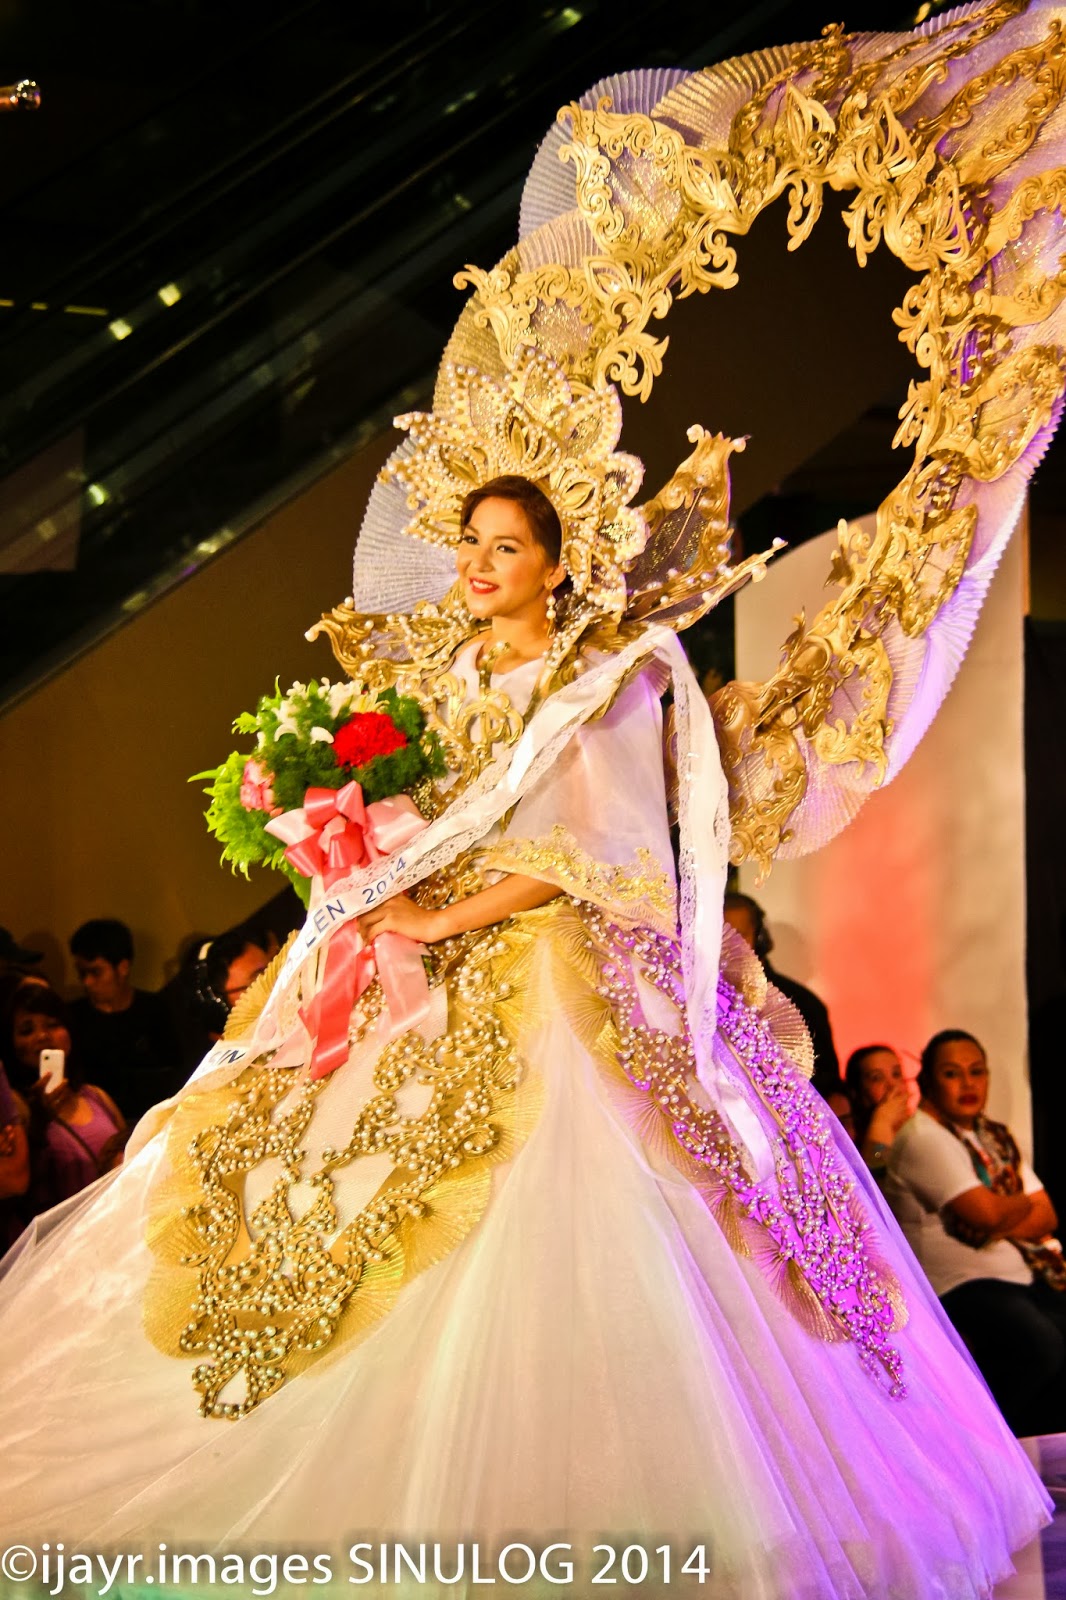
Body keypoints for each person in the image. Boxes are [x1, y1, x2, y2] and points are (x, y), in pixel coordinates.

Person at [0, 471, 1049, 1599]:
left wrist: (438, 916)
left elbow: (601, 852)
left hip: (564, 961)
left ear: (555, 564)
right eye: (470, 539)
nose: (478, 561)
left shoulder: (607, 682)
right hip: (425, 961)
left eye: (505, 545)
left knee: (596, 1197)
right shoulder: (440, 684)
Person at [885, 1029, 1066, 1436]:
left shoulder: (992, 1136)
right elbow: (984, 1215)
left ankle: (1038, 1452)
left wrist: (1001, 1210)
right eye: (952, 1074)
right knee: (1040, 1345)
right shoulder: (924, 1138)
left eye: (976, 1072)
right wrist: (1014, 1204)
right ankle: (981, 1443)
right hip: (960, 1287)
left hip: (1019, 1279)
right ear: (928, 1082)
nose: (968, 1084)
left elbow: (1046, 1214)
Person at [3, 980, 127, 1212]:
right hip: (63, 1230)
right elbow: (18, 1187)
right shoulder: (13, 1108)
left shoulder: (95, 1096)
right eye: (27, 1030)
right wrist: (38, 1119)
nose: (42, 1036)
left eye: (52, 1025)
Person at [723, 892, 841, 1096]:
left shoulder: (802, 1003)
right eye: (722, 936)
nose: (729, 945)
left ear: (759, 939)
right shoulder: (697, 996)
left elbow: (827, 1084)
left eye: (739, 935)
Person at [67, 917, 183, 1123]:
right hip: (94, 1122)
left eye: (95, 972)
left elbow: (173, 1072)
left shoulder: (154, 1010)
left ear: (122, 968)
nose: (87, 982)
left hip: (150, 1119)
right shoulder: (74, 1016)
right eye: (81, 973)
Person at [845, 1044, 911, 1179]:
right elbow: (876, 1172)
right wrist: (882, 1122)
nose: (892, 1085)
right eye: (877, 1078)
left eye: (896, 1074)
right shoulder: (849, 1145)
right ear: (856, 1092)